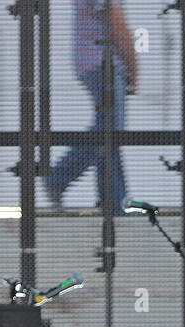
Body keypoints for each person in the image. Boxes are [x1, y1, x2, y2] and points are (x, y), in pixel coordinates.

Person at [44, 0, 138, 214]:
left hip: (96, 63)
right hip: (103, 64)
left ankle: (115, 202)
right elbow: (116, 23)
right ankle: (59, 178)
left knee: (109, 133)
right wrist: (133, 66)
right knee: (110, 130)